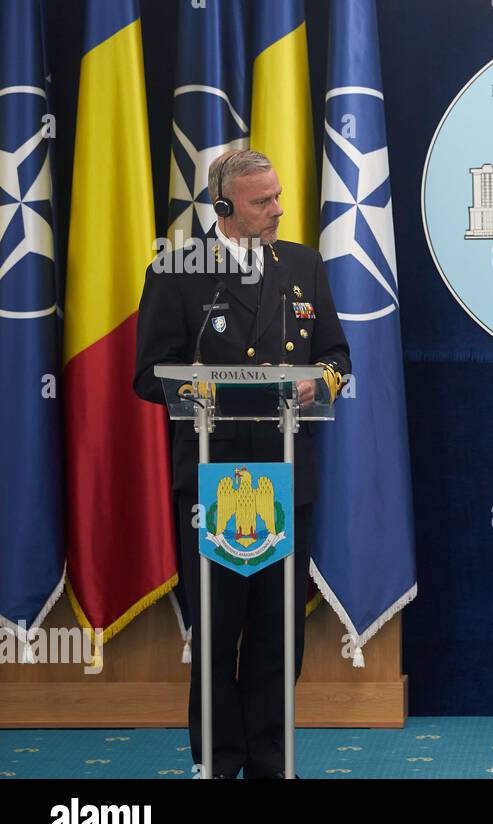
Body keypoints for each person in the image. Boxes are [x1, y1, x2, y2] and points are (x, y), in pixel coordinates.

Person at [133, 149, 350, 779]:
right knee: (218, 631)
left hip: (284, 475)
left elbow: (338, 355)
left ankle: (272, 764)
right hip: (214, 476)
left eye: (279, 196)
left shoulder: (303, 265)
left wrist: (321, 382)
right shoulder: (177, 270)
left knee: (279, 637)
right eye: (263, 202)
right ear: (223, 208)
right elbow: (149, 375)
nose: (278, 210)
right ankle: (219, 764)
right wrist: (215, 387)